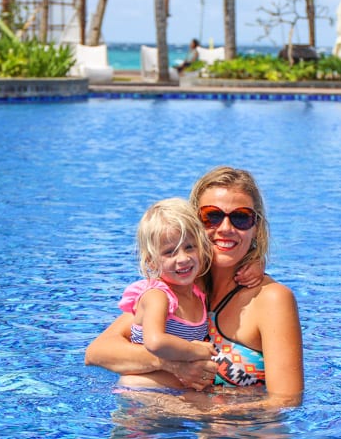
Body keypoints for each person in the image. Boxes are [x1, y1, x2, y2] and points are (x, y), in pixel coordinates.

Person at [85, 166, 304, 406]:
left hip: (234, 435)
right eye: (212, 216)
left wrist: (199, 411)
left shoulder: (271, 299)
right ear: (193, 225)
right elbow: (97, 352)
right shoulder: (181, 288)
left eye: (241, 217)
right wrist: (170, 364)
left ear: (256, 228)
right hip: (175, 433)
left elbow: (286, 400)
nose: (226, 228)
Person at [115, 198, 216, 388]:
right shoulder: (158, 296)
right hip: (143, 393)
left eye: (189, 247)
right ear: (152, 261)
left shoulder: (197, 294)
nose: (183, 258)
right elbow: (155, 342)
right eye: (170, 252)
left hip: (171, 391)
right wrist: (198, 351)